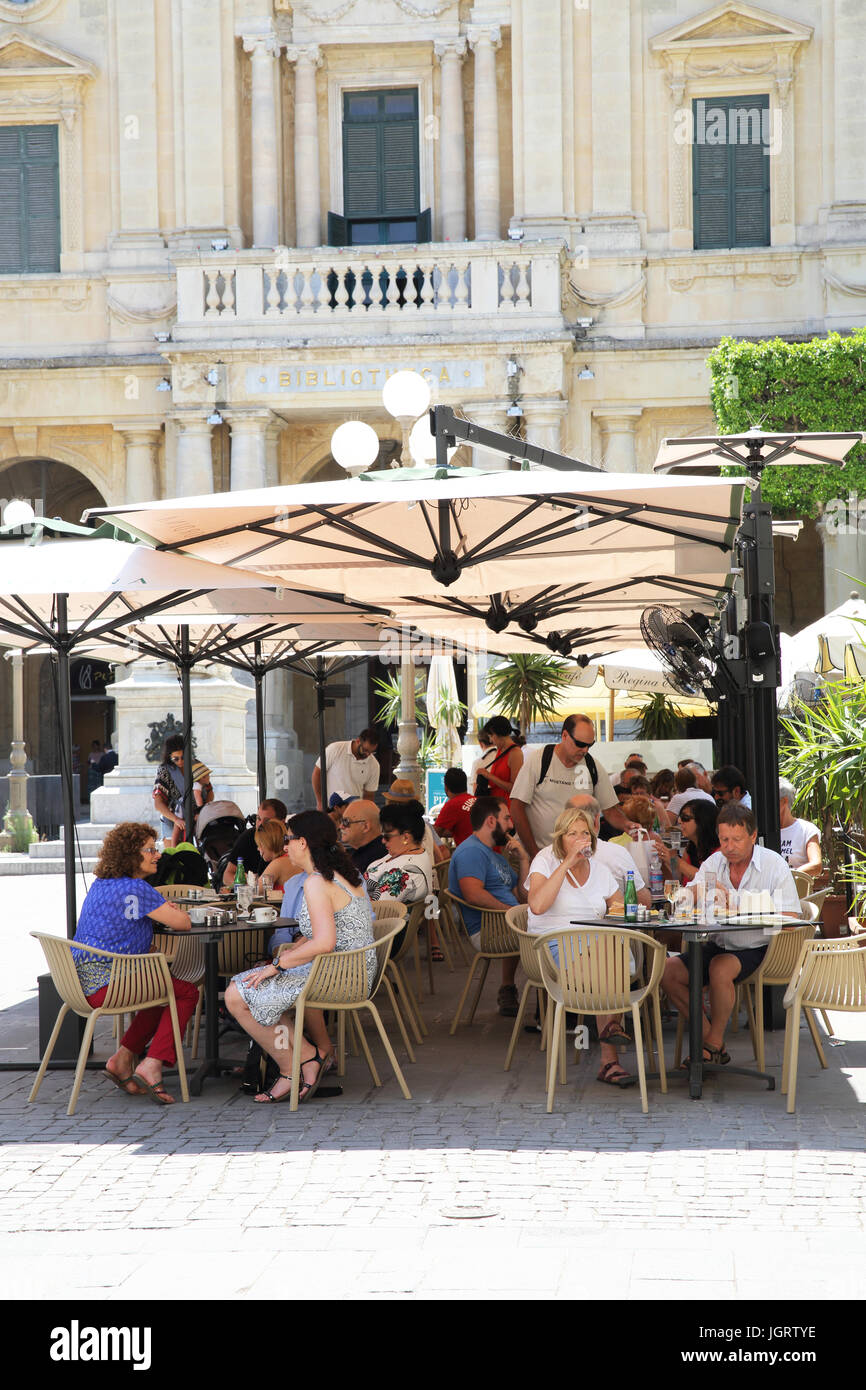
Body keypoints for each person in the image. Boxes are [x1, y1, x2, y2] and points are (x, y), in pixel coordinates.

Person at [226, 810, 374, 1104]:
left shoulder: (317, 882)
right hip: (349, 969)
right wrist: (287, 957)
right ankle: (307, 1057)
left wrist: (278, 965)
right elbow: (322, 932)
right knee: (253, 987)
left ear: (303, 842)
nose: (284, 846)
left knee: (236, 995)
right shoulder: (339, 875)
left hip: (337, 974)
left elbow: (325, 941)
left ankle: (292, 1066)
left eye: (288, 839)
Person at [661, 803, 800, 1067]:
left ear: (752, 835)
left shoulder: (773, 864)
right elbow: (681, 902)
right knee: (667, 971)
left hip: (759, 948)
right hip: (718, 942)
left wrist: (740, 906)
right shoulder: (714, 863)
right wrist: (691, 894)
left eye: (736, 839)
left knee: (719, 967)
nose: (730, 846)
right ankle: (711, 1039)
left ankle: (710, 1045)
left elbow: (791, 919)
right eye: (724, 839)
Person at [71, 822, 197, 1106]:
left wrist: (156, 912)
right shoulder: (137, 889)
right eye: (150, 850)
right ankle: (152, 1064)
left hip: (83, 984)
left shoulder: (101, 885)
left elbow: (122, 927)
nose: (158, 855)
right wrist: (167, 911)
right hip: (109, 984)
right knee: (186, 992)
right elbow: (184, 923)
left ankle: (123, 1059)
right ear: (131, 855)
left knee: (158, 993)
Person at [525, 806, 634, 1088]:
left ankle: (610, 1049)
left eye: (584, 833)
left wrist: (617, 912)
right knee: (608, 951)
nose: (579, 838)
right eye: (572, 833)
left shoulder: (599, 869)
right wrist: (566, 865)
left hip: (596, 949)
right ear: (560, 838)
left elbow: (620, 908)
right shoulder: (545, 861)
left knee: (613, 945)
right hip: (554, 945)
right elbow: (536, 906)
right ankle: (611, 1042)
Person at [510, 714, 635, 860]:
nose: (585, 750)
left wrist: (627, 824)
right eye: (580, 744)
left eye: (590, 745)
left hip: (576, 857)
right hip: (536, 853)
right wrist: (534, 853)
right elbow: (516, 807)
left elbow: (610, 810)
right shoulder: (539, 760)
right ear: (564, 735)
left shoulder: (592, 765)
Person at [448, 795, 529, 1016]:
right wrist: (512, 914)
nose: (511, 825)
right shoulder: (471, 852)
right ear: (491, 821)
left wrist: (523, 860)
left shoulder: (495, 856)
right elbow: (473, 894)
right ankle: (560, 1004)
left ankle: (556, 1002)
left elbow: (521, 896)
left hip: (507, 925)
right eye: (507, 819)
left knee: (555, 928)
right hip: (489, 931)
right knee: (553, 936)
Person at [567, 793, 651, 906]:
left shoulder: (546, 854)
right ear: (597, 820)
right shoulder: (615, 853)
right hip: (607, 920)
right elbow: (643, 902)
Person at [365, 802, 434, 909]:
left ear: (406, 838)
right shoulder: (417, 852)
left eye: (387, 837)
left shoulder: (402, 872)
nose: (383, 841)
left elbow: (378, 910)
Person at [222, 798, 288, 886]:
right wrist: (244, 887)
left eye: (267, 821)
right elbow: (227, 876)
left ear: (282, 822)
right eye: (258, 819)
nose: (260, 825)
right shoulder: (248, 837)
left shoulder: (291, 842)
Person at [312, 727, 380, 810]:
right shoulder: (335, 749)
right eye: (365, 750)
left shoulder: (374, 765)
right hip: (331, 809)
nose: (368, 754)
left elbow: (369, 795)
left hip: (354, 813)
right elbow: (317, 774)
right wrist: (320, 802)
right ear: (358, 741)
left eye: (372, 752)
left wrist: (365, 813)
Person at [383, 778, 448, 864]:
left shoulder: (392, 831)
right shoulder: (424, 825)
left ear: (389, 804)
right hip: (429, 874)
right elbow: (440, 857)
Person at [658, 797, 719, 884]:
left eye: (685, 818)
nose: (679, 821)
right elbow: (679, 879)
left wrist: (677, 862)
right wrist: (669, 860)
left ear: (702, 821)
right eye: (680, 817)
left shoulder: (719, 852)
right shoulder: (691, 846)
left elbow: (708, 880)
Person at [778, 778, 822, 878]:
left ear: (784, 801)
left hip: (797, 891)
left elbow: (816, 865)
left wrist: (787, 876)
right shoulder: (762, 831)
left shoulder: (806, 829)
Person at [479, 716, 523, 802]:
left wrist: (488, 776)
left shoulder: (515, 753)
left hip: (507, 805)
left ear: (496, 734)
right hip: (497, 803)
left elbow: (514, 787)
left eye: (490, 736)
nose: (491, 741)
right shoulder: (500, 750)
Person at [339, 798, 386, 873]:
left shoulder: (375, 861)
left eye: (346, 821)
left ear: (365, 827)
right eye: (341, 821)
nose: (341, 826)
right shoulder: (360, 852)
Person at [433, 767, 476, 848]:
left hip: (471, 854)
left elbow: (435, 834)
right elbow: (464, 829)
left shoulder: (452, 805)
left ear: (446, 787)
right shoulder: (474, 799)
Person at [255, 819, 296, 895]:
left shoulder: (278, 863)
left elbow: (255, 891)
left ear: (268, 843)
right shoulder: (291, 859)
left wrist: (249, 880)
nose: (258, 848)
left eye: (259, 844)